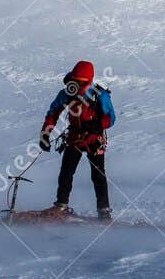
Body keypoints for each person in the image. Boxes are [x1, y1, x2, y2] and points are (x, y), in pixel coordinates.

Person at [39, 60, 116, 220]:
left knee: (98, 175)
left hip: (94, 140)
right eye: (76, 81)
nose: (78, 86)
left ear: (88, 81)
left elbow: (111, 118)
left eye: (82, 83)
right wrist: (45, 134)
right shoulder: (67, 93)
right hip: (74, 138)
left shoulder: (99, 94)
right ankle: (61, 206)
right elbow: (53, 113)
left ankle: (104, 211)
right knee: (66, 172)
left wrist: (97, 125)